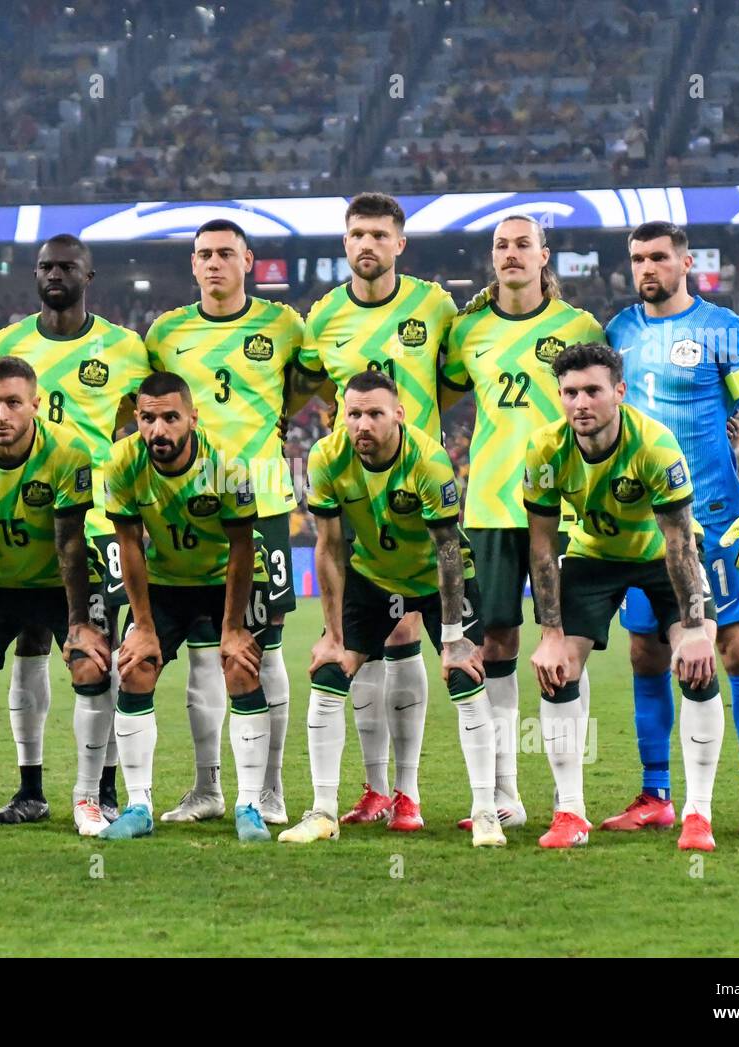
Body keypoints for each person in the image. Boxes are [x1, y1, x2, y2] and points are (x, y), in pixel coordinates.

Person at [607, 221, 739, 838]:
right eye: (637, 258)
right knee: (645, 652)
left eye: (659, 256)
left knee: (734, 648)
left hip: (710, 519)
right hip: (638, 525)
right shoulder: (619, 331)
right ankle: (655, 794)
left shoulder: (722, 329)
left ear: (686, 262)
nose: (647, 267)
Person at [293, 191, 459, 831]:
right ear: (345, 242)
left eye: (379, 234)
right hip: (355, 491)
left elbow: (458, 376)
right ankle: (374, 789)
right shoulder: (324, 315)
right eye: (356, 233)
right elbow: (307, 381)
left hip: (418, 487)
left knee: (404, 634)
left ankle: (406, 793)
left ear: (399, 243)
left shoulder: (434, 306)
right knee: (359, 638)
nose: (367, 244)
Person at [280, 369, 500, 846]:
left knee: (464, 674)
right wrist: (332, 634)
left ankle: (486, 811)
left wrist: (453, 639)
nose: (362, 425)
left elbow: (446, 550)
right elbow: (329, 546)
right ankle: (321, 811)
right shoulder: (325, 457)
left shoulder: (428, 460)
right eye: (353, 414)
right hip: (374, 575)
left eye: (375, 414)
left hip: (437, 576)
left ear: (398, 415)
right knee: (329, 671)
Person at [442, 213, 606, 832]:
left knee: (563, 650)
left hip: (563, 508)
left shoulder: (577, 328)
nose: (511, 255)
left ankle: (572, 802)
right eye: (501, 246)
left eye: (522, 245)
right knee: (496, 644)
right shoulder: (469, 329)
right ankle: (506, 793)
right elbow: (438, 389)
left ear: (545, 255)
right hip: (487, 505)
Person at [523, 343, 721, 851]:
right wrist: (550, 634)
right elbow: (543, 548)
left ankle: (698, 814)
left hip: (663, 556)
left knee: (698, 665)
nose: (580, 403)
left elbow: (679, 542)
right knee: (557, 669)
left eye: (592, 390)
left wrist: (695, 630)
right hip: (593, 556)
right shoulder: (545, 449)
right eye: (569, 393)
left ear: (619, 391)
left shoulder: (654, 445)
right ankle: (570, 813)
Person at [145, 218, 306, 826]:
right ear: (193, 264)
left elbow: (310, 383)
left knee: (263, 652)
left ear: (249, 260)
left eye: (225, 254)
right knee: (202, 652)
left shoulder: (283, 324)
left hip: (261, 503)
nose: (214, 263)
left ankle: (269, 790)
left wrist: (274, 424)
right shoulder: (166, 332)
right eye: (204, 254)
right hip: (190, 507)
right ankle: (208, 787)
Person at [0, 234, 150, 823]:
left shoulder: (125, 347)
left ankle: (101, 792)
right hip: (25, 526)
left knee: (96, 651)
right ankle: (30, 791)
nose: (54, 274)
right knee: (28, 646)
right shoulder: (8, 343)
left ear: (89, 274)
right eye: (45, 267)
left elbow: (141, 424)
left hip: (98, 524)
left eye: (67, 267)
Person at [0, 357, 112, 835]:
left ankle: (89, 799)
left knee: (92, 664)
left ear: (36, 404)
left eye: (12, 403)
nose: (1, 415)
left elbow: (70, 542)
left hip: (59, 581)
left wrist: (77, 624)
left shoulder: (68, 452)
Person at [99, 372, 272, 842]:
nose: (158, 430)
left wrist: (233, 628)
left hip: (225, 577)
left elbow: (241, 548)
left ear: (192, 419)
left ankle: (250, 806)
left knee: (240, 666)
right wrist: (144, 627)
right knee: (136, 666)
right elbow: (129, 544)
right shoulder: (122, 463)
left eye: (170, 417)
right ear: (137, 418)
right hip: (165, 580)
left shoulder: (226, 465)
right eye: (148, 419)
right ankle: (138, 806)